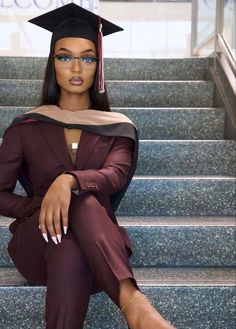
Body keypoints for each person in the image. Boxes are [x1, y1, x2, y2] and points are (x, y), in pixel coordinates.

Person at [0, 3, 176, 329]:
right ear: (52, 64)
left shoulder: (117, 127)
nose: (77, 66)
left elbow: (115, 175)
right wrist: (38, 206)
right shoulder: (26, 127)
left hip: (100, 253)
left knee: (78, 222)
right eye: (65, 56)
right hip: (38, 243)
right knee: (69, 224)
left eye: (88, 57)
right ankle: (135, 306)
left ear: (98, 66)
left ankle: (134, 307)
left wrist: (67, 182)